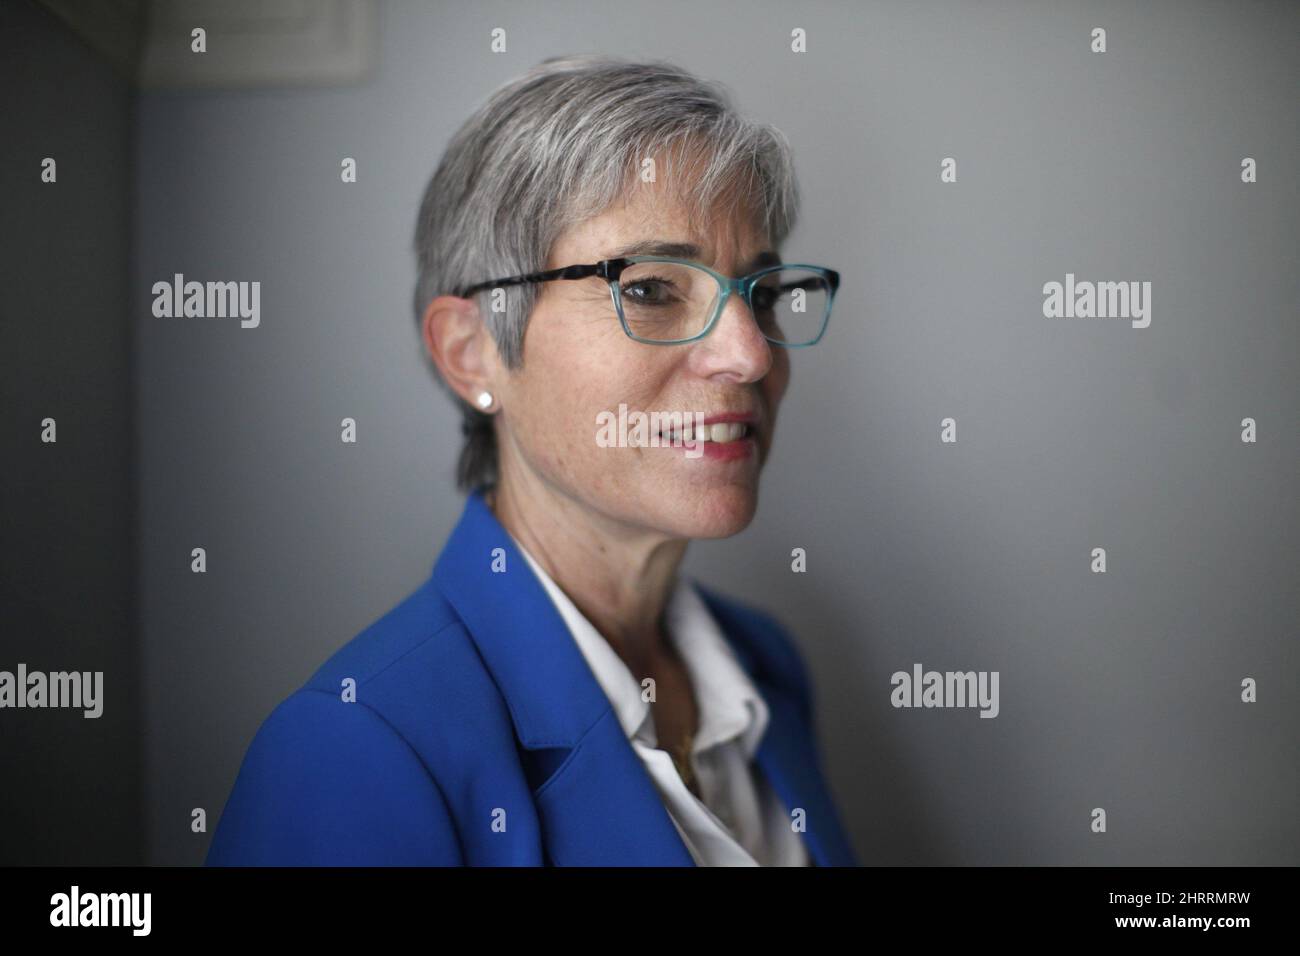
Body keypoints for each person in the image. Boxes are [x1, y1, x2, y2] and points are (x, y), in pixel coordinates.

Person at [206, 53, 856, 866]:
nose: (751, 353)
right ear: (473, 351)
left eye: (759, 294)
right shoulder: (355, 746)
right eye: (652, 288)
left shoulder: (768, 665)